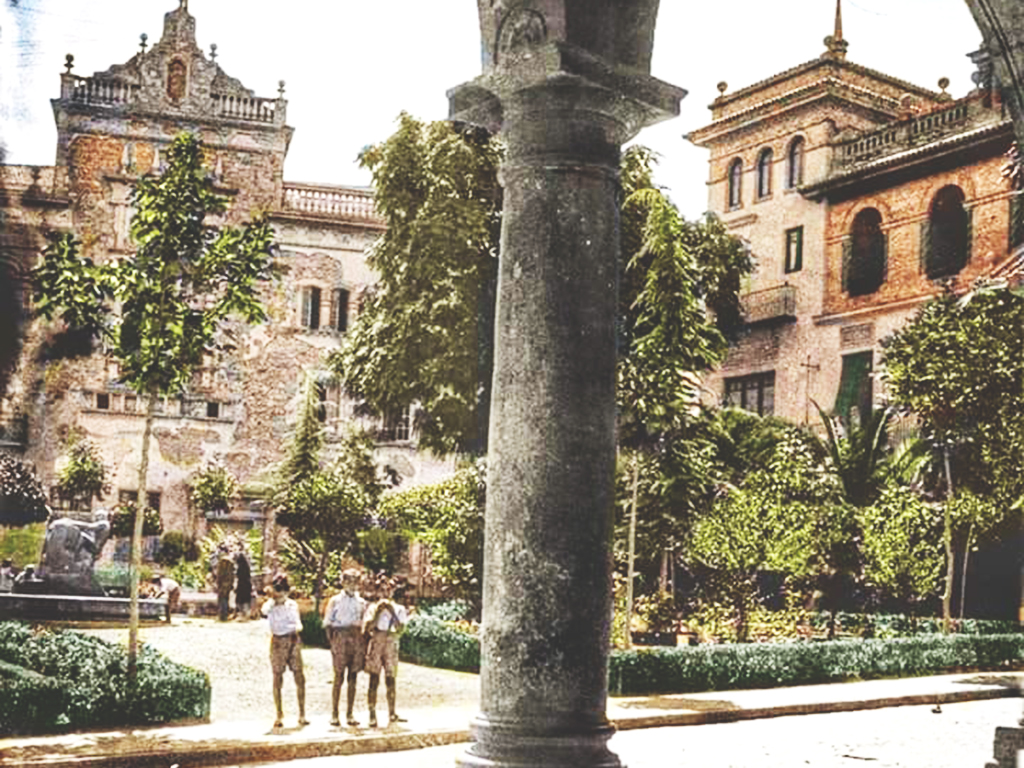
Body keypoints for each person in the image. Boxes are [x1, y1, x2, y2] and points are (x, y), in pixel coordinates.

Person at [261, 575, 308, 729]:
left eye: (283, 591)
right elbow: (264, 611)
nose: (280, 594)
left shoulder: (292, 605)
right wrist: (272, 598)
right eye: (278, 590)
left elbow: (297, 623)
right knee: (277, 676)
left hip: (292, 639)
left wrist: (294, 630)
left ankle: (302, 714)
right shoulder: (271, 605)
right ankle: (279, 713)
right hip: (278, 641)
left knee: (299, 676)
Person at [322, 569, 366, 727]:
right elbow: (328, 623)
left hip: (355, 638)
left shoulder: (361, 602)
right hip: (339, 636)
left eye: (355, 581)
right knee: (338, 676)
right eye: (349, 581)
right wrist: (333, 643)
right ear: (343, 582)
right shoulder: (335, 600)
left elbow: (363, 622)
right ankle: (334, 714)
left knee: (353, 677)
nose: (352, 585)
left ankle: (350, 713)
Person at [363, 580, 409, 728]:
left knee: (391, 679)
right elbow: (367, 628)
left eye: (388, 590)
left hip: (391, 640)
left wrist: (390, 611)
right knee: (374, 679)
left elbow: (400, 629)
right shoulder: (372, 607)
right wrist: (378, 612)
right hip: (377, 640)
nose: (385, 593)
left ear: (392, 591)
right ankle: (372, 713)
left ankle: (392, 712)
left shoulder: (399, 608)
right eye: (382, 590)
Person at [215, 549, 235, 621]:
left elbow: (220, 574)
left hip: (222, 584)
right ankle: (225, 615)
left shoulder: (222, 561)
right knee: (226, 599)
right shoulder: (231, 562)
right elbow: (232, 574)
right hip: (228, 583)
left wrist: (218, 583)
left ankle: (222, 616)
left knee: (221, 600)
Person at [235, 551, 253, 620]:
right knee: (246, 600)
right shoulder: (247, 567)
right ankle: (246, 615)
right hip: (247, 585)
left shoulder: (239, 568)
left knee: (240, 600)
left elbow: (238, 576)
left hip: (241, 585)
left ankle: (243, 614)